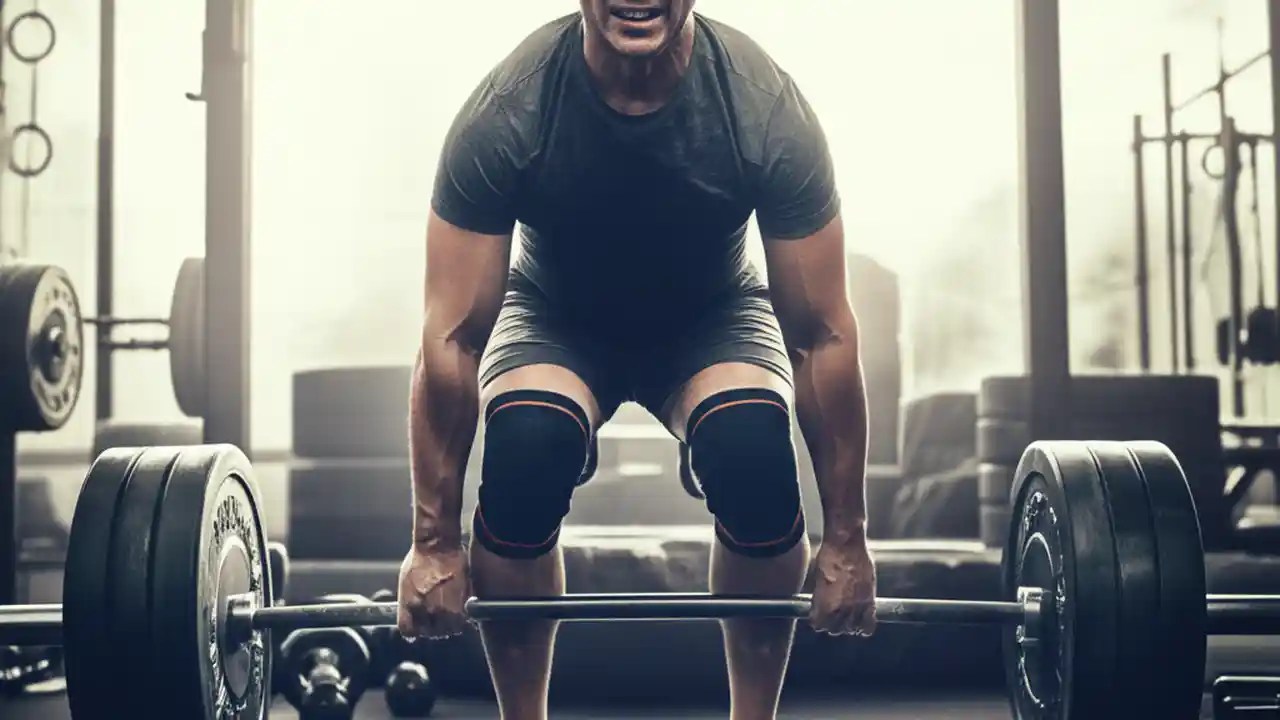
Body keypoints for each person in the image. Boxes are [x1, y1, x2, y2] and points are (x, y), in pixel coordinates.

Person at [398, 2, 877, 718]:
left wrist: (846, 537)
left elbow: (823, 335)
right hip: (558, 318)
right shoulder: (510, 110)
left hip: (709, 317)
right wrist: (433, 543)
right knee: (529, 441)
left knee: (749, 444)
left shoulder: (762, 107)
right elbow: (452, 338)